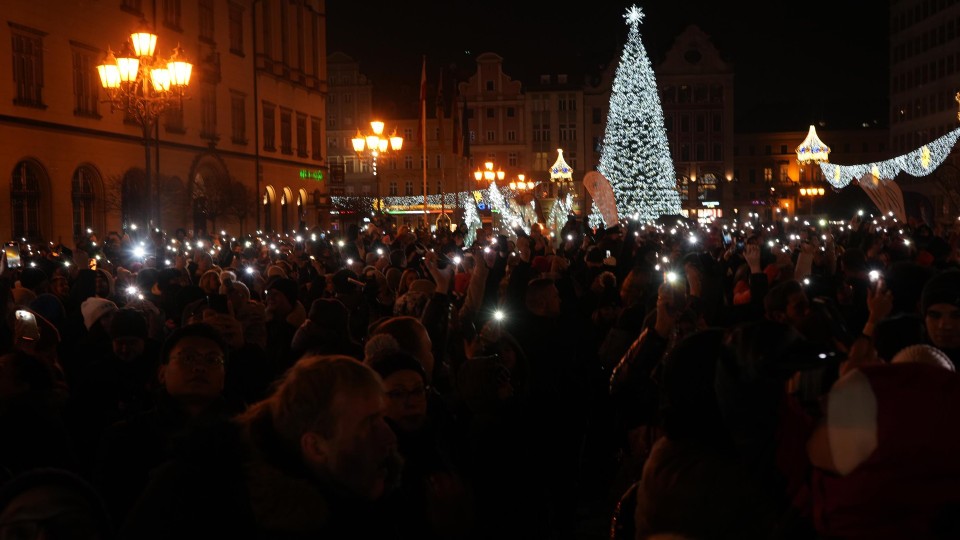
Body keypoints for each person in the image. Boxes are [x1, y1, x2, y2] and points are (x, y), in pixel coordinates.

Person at [121, 354, 403, 539]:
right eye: (368, 425)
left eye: (382, 418)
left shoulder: (375, 487)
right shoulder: (195, 495)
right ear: (315, 447)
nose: (389, 438)